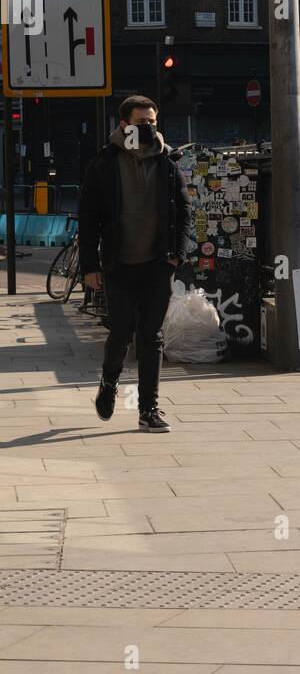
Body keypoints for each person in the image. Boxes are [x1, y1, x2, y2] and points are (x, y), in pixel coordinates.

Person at [78, 94, 192, 432]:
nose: (149, 128)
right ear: (125, 125)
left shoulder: (167, 161)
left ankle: (148, 409)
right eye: (143, 122)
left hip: (157, 264)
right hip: (119, 264)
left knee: (151, 336)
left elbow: (184, 212)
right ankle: (109, 382)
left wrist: (176, 255)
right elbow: (88, 219)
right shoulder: (105, 163)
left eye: (153, 122)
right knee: (121, 332)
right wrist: (90, 267)